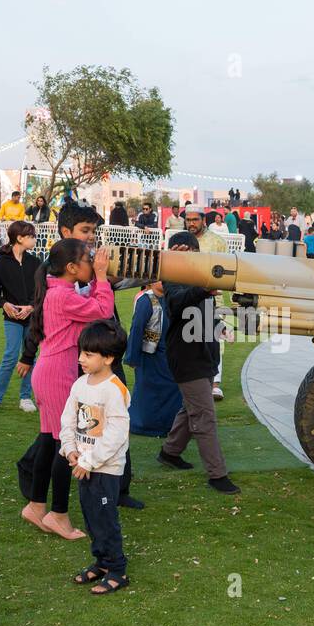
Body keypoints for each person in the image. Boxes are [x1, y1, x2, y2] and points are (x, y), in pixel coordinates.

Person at [18, 237, 115, 540]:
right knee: (66, 445)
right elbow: (103, 311)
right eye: (88, 259)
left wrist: (98, 278)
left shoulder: (58, 291)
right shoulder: (62, 296)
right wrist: (101, 278)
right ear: (72, 267)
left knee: (50, 441)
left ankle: (36, 506)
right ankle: (58, 514)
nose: (93, 262)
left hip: (48, 371)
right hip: (58, 373)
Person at [157, 230, 240, 494]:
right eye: (181, 252)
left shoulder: (200, 277)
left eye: (191, 251)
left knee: (191, 408)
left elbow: (205, 312)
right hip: (185, 356)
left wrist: (219, 327)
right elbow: (177, 304)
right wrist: (202, 288)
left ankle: (170, 452)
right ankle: (217, 475)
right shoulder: (171, 278)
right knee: (204, 415)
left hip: (205, 354)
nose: (187, 257)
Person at [61, 320, 133, 595]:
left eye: (89, 354)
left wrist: (89, 461)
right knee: (91, 516)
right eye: (81, 352)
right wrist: (70, 450)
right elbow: (68, 420)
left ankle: (117, 570)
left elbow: (116, 436)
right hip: (81, 464)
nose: (81, 359)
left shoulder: (115, 390)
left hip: (104, 469)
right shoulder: (80, 384)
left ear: (109, 358)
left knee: (105, 518)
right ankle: (101, 562)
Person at [0, 220, 39, 414]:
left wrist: (31, 307)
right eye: (31, 236)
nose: (34, 239)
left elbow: (43, 291)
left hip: (32, 318)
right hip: (12, 318)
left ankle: (25, 397)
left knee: (30, 356)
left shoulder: (35, 262)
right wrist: (3, 303)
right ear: (19, 238)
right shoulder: (1, 263)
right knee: (10, 355)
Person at [124, 281, 183, 436]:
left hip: (172, 354)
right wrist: (132, 357)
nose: (164, 281)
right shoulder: (145, 300)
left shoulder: (175, 298)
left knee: (173, 389)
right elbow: (136, 329)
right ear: (149, 281)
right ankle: (143, 425)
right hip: (150, 355)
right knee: (147, 389)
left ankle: (171, 425)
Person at [185, 206, 231, 399]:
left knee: (216, 340)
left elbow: (227, 269)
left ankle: (215, 384)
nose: (191, 223)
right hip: (186, 297)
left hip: (214, 298)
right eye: (188, 220)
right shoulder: (183, 241)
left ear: (204, 220)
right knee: (189, 339)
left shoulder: (217, 242)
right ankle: (193, 382)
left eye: (195, 219)